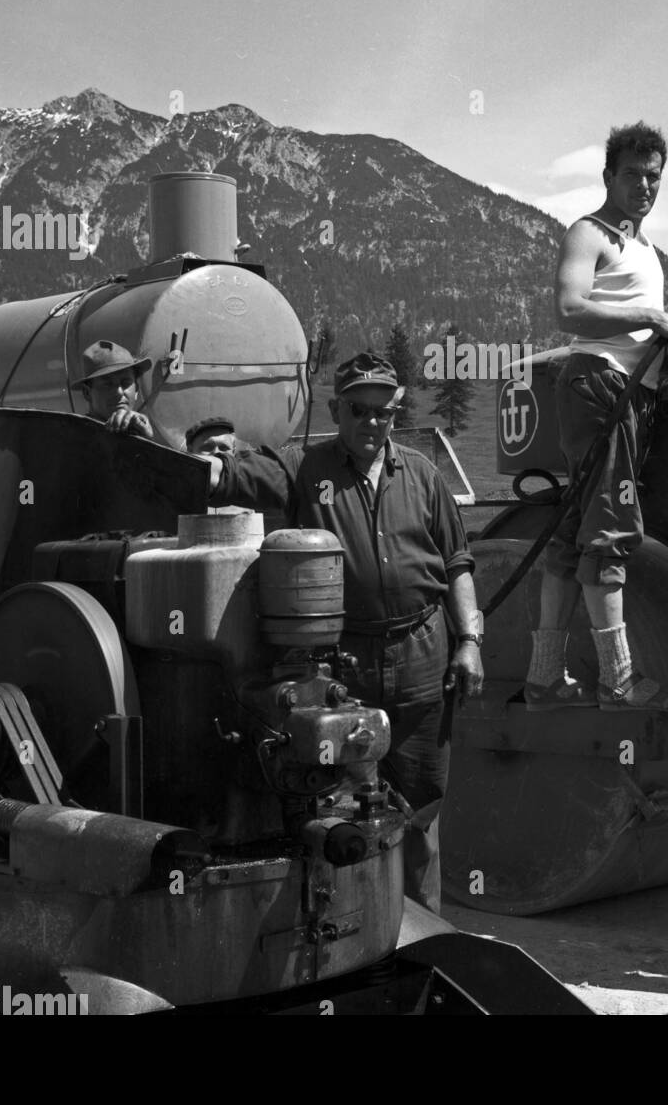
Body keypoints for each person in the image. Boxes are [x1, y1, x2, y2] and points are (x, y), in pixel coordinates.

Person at [200, 351, 482, 913]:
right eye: (360, 410)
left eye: (385, 411)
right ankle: (359, 935)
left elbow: (457, 564)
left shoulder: (424, 476)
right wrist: (210, 466)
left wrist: (470, 641)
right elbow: (249, 478)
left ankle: (422, 936)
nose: (373, 422)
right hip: (345, 667)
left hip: (424, 656)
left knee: (422, 810)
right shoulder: (306, 469)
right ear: (336, 409)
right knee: (344, 804)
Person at [526, 122, 668, 712]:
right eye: (633, 174)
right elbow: (570, 308)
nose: (646, 185)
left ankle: (545, 676)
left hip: (624, 389)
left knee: (576, 531)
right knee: (609, 526)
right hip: (603, 385)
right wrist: (654, 316)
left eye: (655, 176)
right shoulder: (590, 232)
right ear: (608, 177)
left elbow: (636, 316)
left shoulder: (645, 249)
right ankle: (619, 683)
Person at [72, 340, 155, 439]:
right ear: (87, 393)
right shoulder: (74, 436)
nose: (119, 392)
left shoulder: (140, 432)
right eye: (108, 384)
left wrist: (148, 443)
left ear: (136, 389)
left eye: (125, 383)